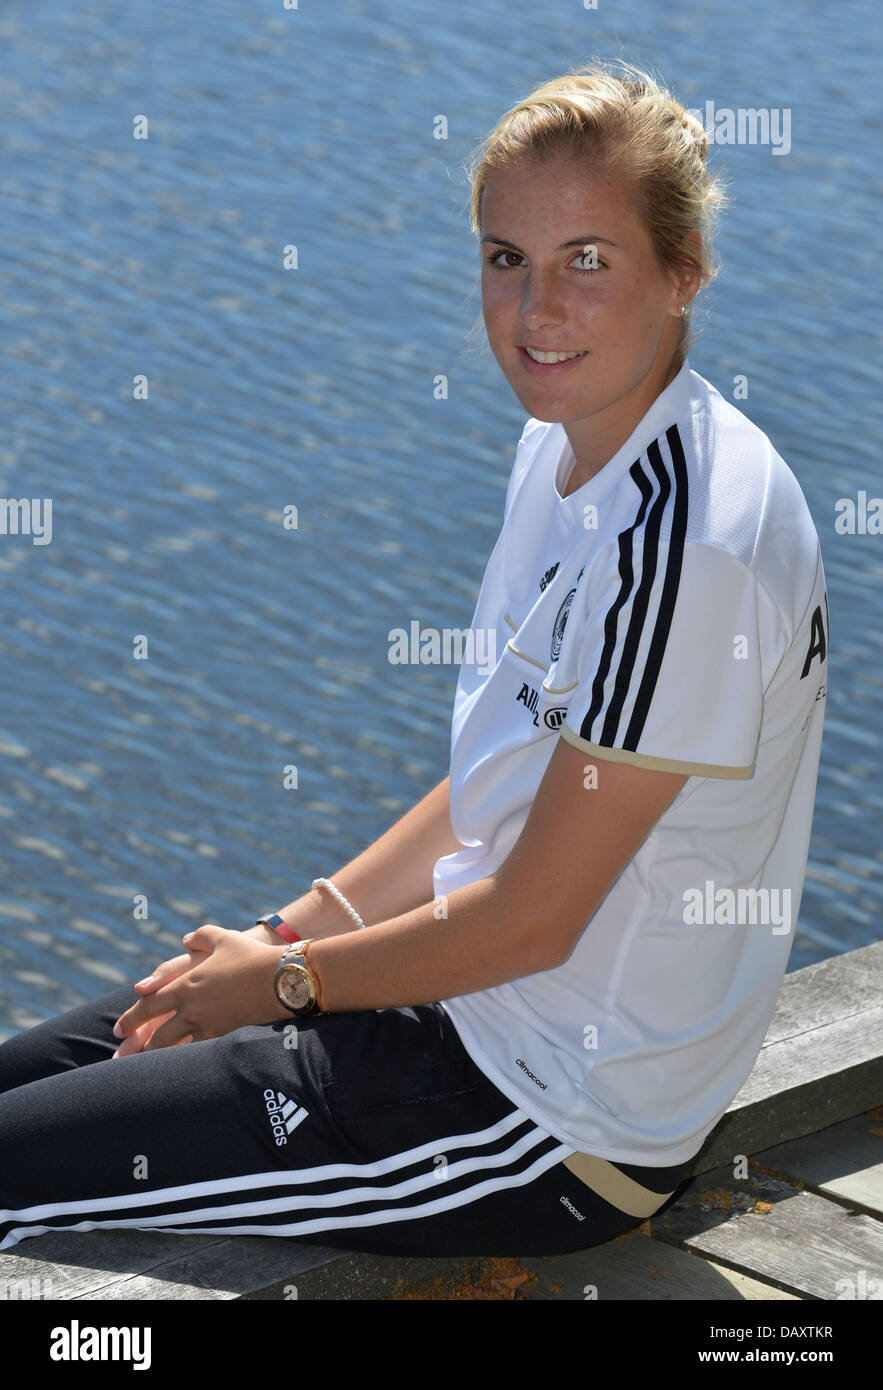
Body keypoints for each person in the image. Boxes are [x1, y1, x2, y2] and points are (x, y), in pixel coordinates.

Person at [0, 59, 828, 1262]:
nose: (535, 310)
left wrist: (284, 986)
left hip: (543, 1118)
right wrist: (283, 939)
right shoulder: (564, 449)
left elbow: (536, 920)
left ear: (683, 271)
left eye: (586, 261)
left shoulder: (690, 540)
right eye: (507, 259)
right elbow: (503, 787)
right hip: (452, 1012)